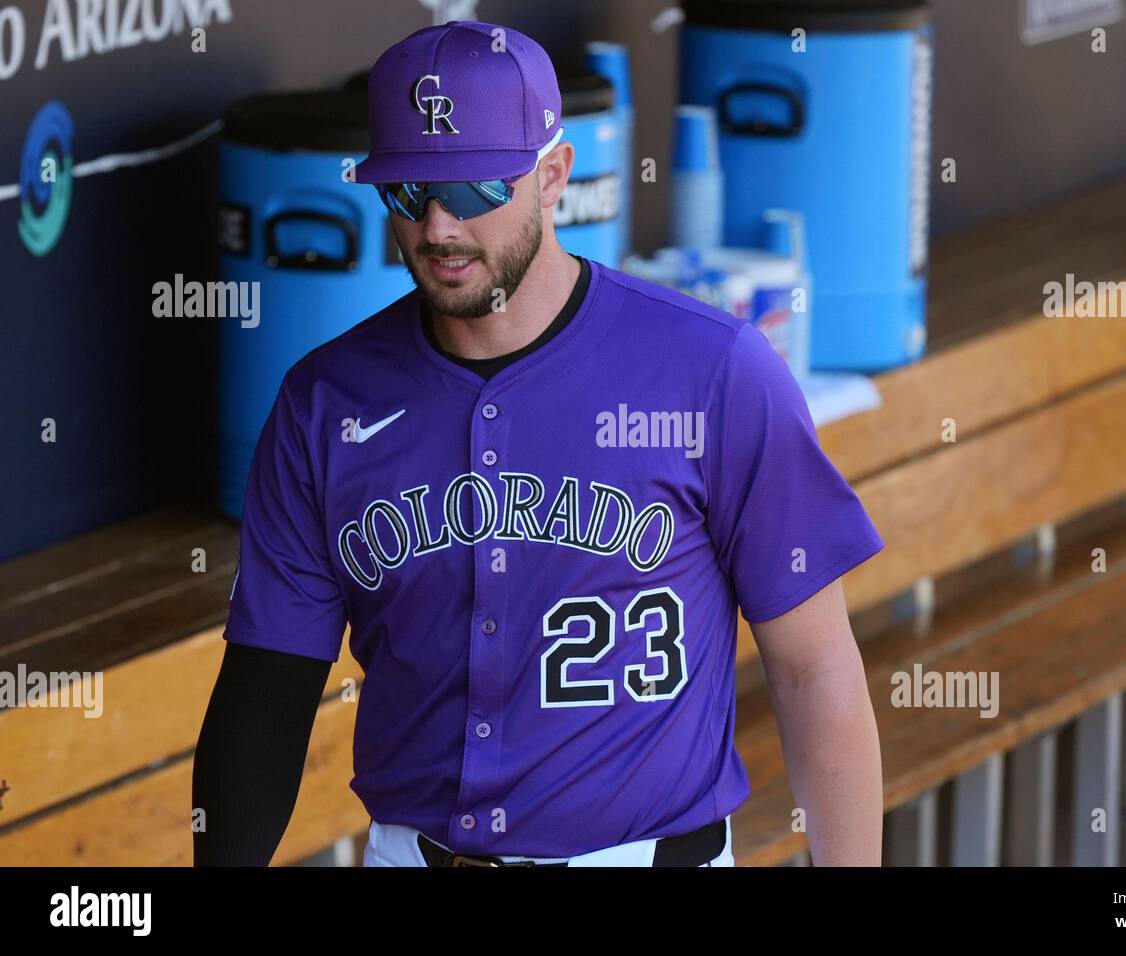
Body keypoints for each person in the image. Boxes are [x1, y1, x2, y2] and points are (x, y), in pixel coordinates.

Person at [193, 20, 885, 868]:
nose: (440, 226)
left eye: (476, 188)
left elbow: (814, 669)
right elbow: (267, 688)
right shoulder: (326, 402)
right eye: (410, 194)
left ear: (554, 174)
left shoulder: (712, 370)